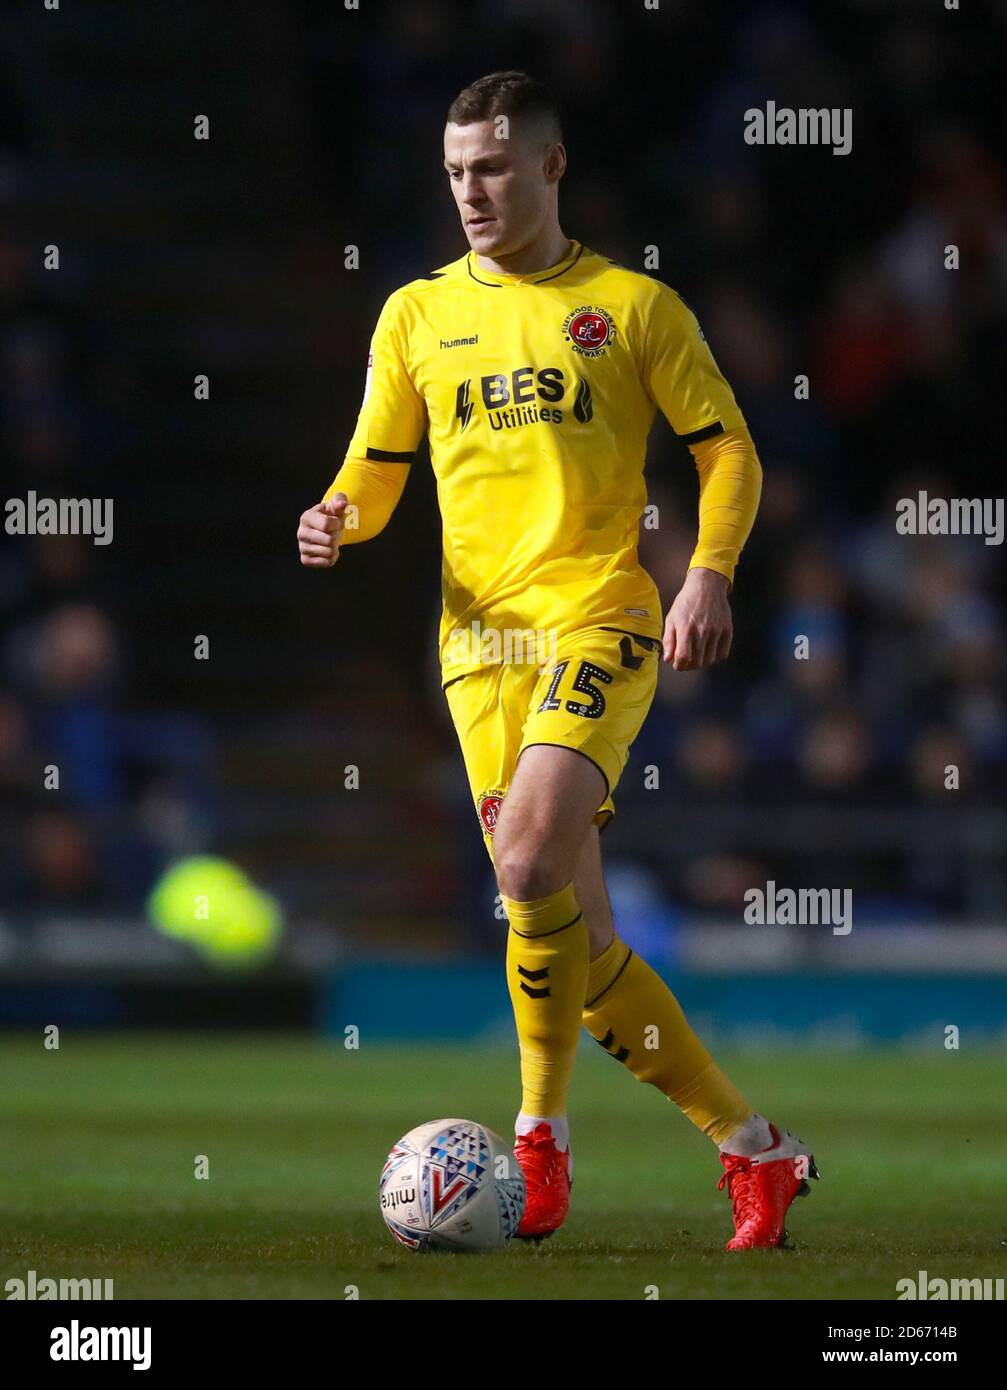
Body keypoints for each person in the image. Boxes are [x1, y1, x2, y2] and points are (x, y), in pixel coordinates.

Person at [297, 70, 818, 1249]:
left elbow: (725, 449)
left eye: (489, 168)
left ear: (547, 165)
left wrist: (707, 573)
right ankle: (756, 1151)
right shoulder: (414, 314)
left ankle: (537, 1144)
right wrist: (335, 514)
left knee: (525, 860)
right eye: (452, 173)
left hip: (598, 616)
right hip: (477, 650)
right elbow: (374, 473)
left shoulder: (630, 306)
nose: (469, 192)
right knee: (571, 938)